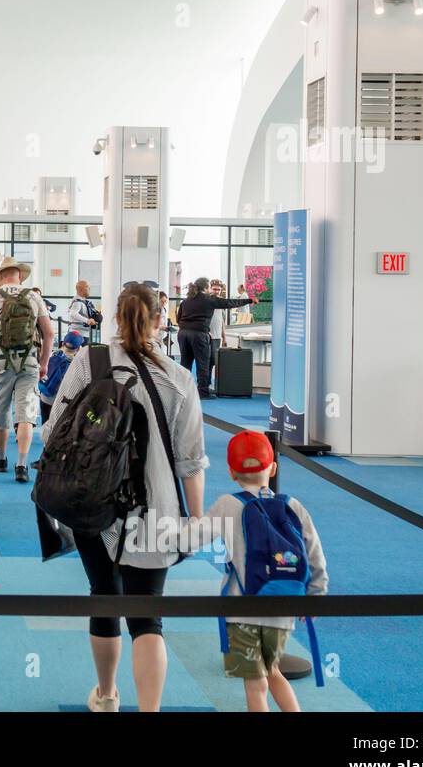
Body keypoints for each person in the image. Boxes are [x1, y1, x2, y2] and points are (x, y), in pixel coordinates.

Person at [41, 283, 208, 712]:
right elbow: (191, 462)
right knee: (147, 616)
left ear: (115, 317)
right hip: (156, 510)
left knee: (104, 592)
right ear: (159, 320)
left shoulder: (89, 361)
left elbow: (52, 431)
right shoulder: (179, 378)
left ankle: (107, 695)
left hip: (91, 503)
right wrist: (195, 519)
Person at [189, 431, 328, 712]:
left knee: (255, 684)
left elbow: (194, 538)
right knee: (273, 672)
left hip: (242, 610)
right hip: (283, 607)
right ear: (273, 468)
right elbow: (314, 554)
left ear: (230, 471)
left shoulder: (228, 504)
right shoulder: (292, 505)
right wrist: (316, 594)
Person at [0, 257, 55, 483]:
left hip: (1, 363)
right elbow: (49, 334)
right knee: (26, 415)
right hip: (30, 363)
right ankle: (21, 465)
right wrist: (44, 363)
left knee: (1, 412)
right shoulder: (34, 296)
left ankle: (0, 459)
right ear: (20, 274)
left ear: (0, 276)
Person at [176, 276, 254, 399]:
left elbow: (178, 318)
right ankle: (203, 392)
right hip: (199, 334)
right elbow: (229, 303)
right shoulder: (209, 299)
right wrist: (248, 301)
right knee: (203, 364)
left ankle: (180, 391)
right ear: (206, 288)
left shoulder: (186, 300)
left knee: (185, 363)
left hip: (183, 333)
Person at [39, 331, 84, 424]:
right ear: (79, 348)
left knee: (45, 425)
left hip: (44, 398)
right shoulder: (75, 365)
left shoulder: (51, 355)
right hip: (59, 404)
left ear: (63, 344)